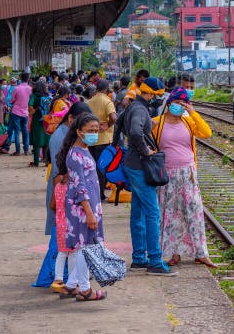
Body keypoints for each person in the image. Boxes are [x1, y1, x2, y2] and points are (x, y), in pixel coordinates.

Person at [152, 88, 215, 268]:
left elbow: (206, 133)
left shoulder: (188, 122)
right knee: (171, 214)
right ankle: (174, 253)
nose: (180, 106)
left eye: (183, 103)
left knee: (194, 212)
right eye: (177, 103)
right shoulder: (157, 123)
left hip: (188, 173)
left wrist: (193, 113)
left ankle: (201, 253)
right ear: (169, 103)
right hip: (167, 175)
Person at [117, 76, 173, 276]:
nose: (159, 99)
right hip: (141, 165)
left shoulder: (135, 106)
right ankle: (155, 261)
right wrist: (145, 150)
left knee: (138, 213)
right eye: (157, 95)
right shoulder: (140, 109)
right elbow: (135, 131)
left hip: (133, 164)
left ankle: (139, 258)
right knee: (152, 213)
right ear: (149, 94)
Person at [34, 101, 92, 290]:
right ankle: (57, 276)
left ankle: (64, 276)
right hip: (64, 193)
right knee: (62, 240)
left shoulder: (68, 135)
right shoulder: (63, 138)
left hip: (65, 192)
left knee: (64, 241)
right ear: (71, 119)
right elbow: (64, 172)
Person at [56, 112, 107, 301]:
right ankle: (84, 289)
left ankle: (70, 287)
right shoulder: (76, 155)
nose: (94, 134)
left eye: (96, 130)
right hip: (82, 209)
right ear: (79, 131)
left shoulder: (84, 151)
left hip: (89, 206)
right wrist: (89, 213)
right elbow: (80, 187)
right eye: (90, 131)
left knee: (85, 248)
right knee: (86, 248)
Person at [87, 79, 116, 200]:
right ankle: (100, 194)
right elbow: (113, 118)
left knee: (91, 167)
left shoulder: (89, 101)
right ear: (106, 89)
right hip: (103, 139)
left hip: (90, 138)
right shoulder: (107, 101)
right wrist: (108, 125)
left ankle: (91, 192)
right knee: (102, 167)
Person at [49, 171, 73, 293]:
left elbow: (52, 205)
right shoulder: (72, 187)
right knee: (73, 253)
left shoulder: (58, 186)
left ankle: (58, 280)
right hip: (72, 224)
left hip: (60, 223)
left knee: (62, 252)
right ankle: (72, 281)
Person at [28, 79, 52, 166]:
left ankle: (36, 162)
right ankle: (46, 161)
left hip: (37, 120)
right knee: (46, 140)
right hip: (47, 121)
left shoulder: (34, 96)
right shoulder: (48, 96)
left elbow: (30, 107)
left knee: (37, 141)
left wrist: (33, 111)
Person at [8, 73, 32, 156]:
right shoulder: (30, 89)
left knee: (17, 131)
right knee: (25, 131)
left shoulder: (17, 88)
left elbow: (11, 100)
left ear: (20, 78)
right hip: (25, 112)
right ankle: (26, 150)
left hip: (16, 112)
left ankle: (18, 150)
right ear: (28, 79)